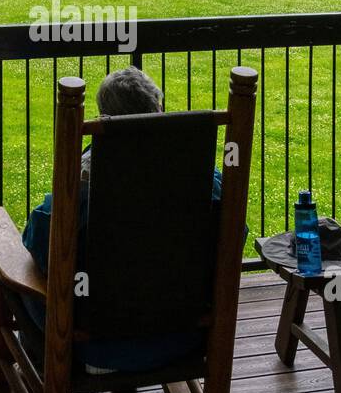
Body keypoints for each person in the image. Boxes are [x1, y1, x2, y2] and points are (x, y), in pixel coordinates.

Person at [19, 66, 221, 375]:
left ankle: (48, 372)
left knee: (17, 276)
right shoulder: (204, 178)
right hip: (186, 335)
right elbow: (230, 237)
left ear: (102, 119)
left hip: (98, 345)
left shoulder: (87, 181)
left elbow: (42, 243)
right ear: (159, 109)